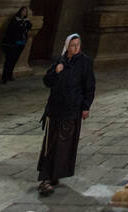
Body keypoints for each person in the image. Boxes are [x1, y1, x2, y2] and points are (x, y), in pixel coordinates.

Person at [37, 33, 95, 196]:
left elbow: (89, 86)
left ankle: (54, 174)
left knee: (64, 145)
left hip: (72, 109)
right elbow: (47, 81)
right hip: (55, 109)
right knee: (50, 144)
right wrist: (55, 72)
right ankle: (45, 179)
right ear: (67, 46)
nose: (75, 48)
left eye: (78, 45)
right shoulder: (60, 61)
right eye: (72, 45)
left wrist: (86, 107)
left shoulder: (85, 62)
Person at [1, 5, 32, 83]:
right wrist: (22, 25)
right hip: (12, 42)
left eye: (25, 11)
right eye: (23, 11)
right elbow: (14, 29)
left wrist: (25, 24)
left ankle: (10, 74)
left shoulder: (26, 20)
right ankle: (5, 77)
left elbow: (29, 27)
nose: (24, 13)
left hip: (21, 42)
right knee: (9, 59)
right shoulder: (15, 20)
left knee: (15, 58)